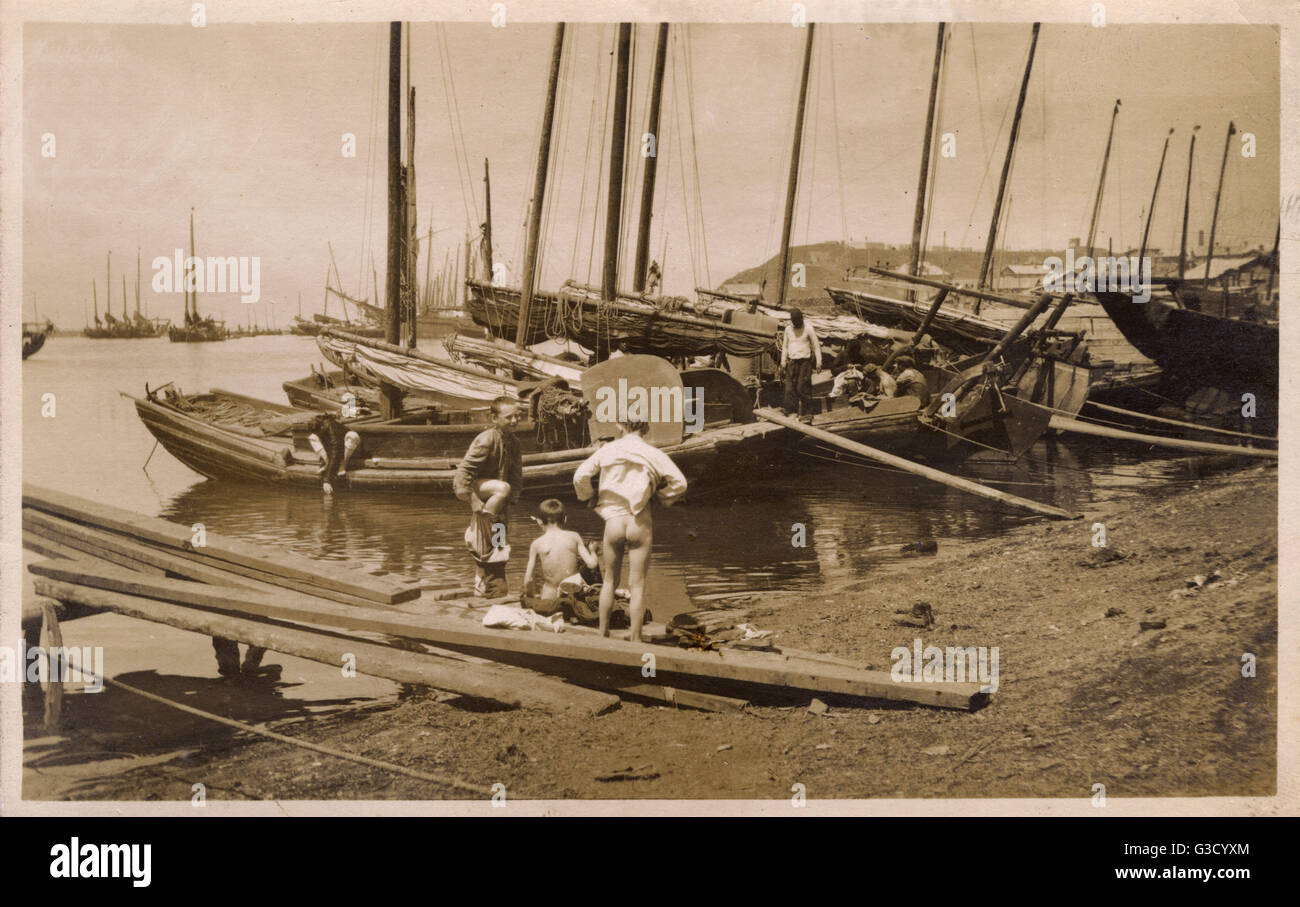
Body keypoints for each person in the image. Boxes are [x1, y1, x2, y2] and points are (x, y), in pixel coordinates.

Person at [573, 419, 687, 642]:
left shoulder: (608, 449)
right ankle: (635, 637)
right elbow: (680, 483)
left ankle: (603, 634)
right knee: (638, 585)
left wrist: (589, 496)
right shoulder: (652, 452)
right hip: (639, 521)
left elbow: (580, 476)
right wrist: (662, 497)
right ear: (646, 428)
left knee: (609, 581)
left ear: (620, 426)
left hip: (613, 521)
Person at [452, 396, 524, 596]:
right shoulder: (486, 439)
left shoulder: (514, 442)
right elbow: (462, 475)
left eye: (518, 416)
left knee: (499, 545)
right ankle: (486, 520)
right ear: (494, 418)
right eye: (509, 417)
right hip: (472, 488)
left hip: (497, 498)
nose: (515, 421)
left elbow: (517, 474)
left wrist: (510, 505)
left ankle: (486, 585)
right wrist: (473, 500)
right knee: (503, 488)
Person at [523, 498, 599, 601]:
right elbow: (592, 564)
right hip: (573, 592)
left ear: (539, 521)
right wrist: (593, 551)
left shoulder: (536, 544)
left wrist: (529, 596)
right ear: (565, 519)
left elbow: (528, 579)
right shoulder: (574, 536)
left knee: (546, 589)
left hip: (550, 595)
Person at [780, 307, 822, 419]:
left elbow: (816, 346)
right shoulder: (788, 329)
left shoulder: (808, 328)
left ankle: (807, 413)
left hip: (805, 363)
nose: (796, 324)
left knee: (802, 388)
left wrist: (819, 362)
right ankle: (791, 411)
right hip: (792, 362)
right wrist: (783, 361)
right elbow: (785, 346)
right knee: (789, 388)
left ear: (801, 319)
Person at [306, 413, 361, 494]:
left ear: (321, 427)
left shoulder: (332, 430)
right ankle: (327, 463)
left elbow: (335, 452)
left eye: (318, 432)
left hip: (349, 450)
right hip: (334, 453)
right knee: (312, 437)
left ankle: (343, 466)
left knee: (352, 435)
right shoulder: (322, 427)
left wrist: (327, 480)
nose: (319, 435)